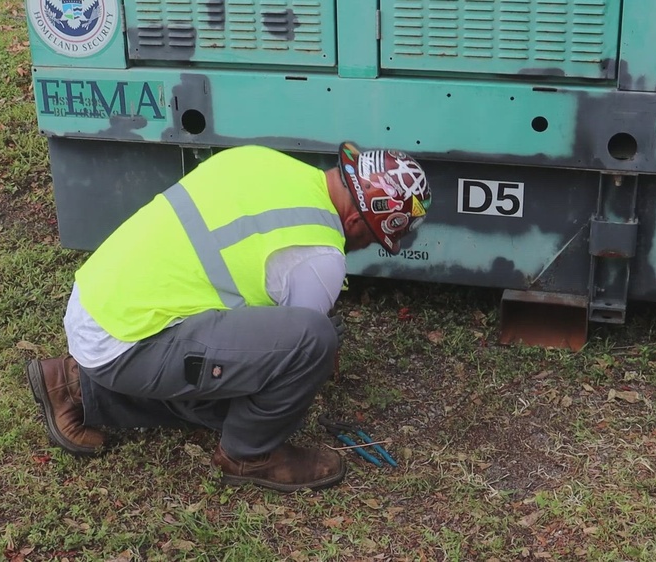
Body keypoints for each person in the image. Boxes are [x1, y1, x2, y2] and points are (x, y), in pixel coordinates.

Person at [26, 141, 431, 493]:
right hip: (126, 342)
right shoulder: (321, 256)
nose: (364, 246)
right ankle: (249, 455)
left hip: (96, 304)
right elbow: (288, 350)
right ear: (356, 221)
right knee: (310, 344)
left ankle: (74, 385)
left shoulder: (260, 159)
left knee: (252, 368)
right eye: (372, 238)